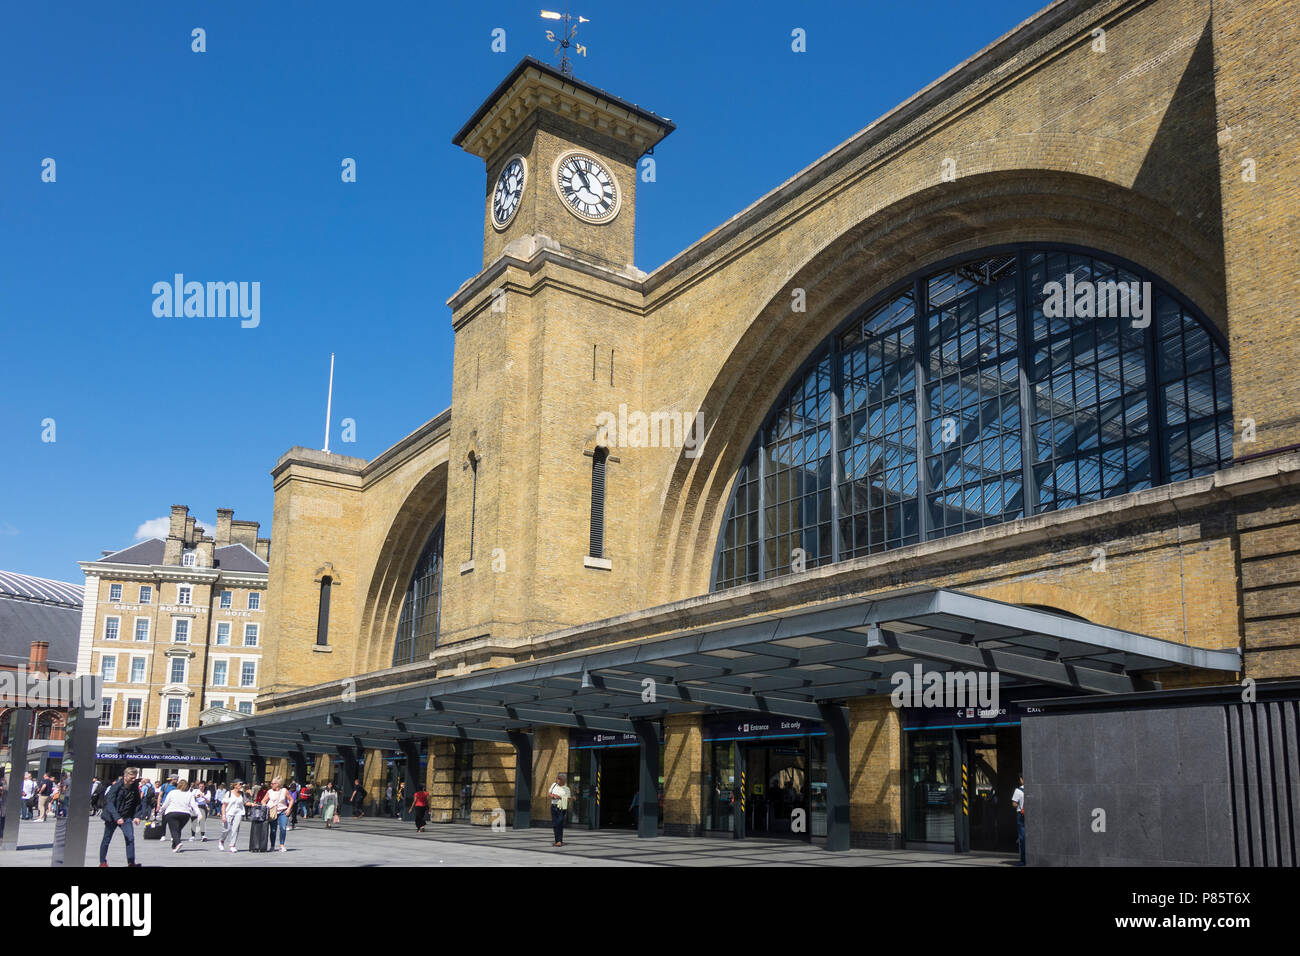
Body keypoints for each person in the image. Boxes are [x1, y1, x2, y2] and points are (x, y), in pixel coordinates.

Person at [99, 767, 144, 867]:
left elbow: (137, 803)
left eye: (135, 778)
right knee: (107, 839)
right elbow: (109, 803)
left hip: (126, 816)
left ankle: (131, 863)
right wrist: (117, 817)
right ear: (125, 776)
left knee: (130, 838)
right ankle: (102, 862)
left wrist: (137, 816)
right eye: (131, 778)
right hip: (112, 817)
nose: (133, 780)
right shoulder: (116, 787)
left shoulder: (134, 787)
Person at [160, 778, 200, 852]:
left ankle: (178, 843)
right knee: (178, 829)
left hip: (172, 812)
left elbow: (166, 803)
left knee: (174, 829)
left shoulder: (172, 792)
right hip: (185, 814)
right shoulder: (190, 794)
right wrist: (199, 814)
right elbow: (194, 805)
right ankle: (174, 845)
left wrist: (161, 810)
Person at [260, 776, 292, 852]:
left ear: (278, 784)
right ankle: (272, 846)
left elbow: (291, 800)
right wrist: (265, 806)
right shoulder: (269, 792)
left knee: (283, 828)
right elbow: (263, 801)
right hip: (272, 812)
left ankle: (282, 845)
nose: (271, 785)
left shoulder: (284, 791)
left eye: (272, 783)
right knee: (273, 830)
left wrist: (289, 809)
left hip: (283, 811)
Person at [218, 781, 248, 853]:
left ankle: (232, 845)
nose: (241, 785)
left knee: (235, 830)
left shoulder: (242, 794)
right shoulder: (229, 793)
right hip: (229, 813)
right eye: (240, 784)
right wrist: (223, 815)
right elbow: (224, 805)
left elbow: (246, 802)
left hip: (238, 813)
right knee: (226, 829)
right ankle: (221, 840)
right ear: (235, 785)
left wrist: (253, 804)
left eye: (241, 784)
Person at [548, 772, 571, 848]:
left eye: (559, 779)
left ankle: (559, 841)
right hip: (553, 806)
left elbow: (568, 799)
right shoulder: (554, 785)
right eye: (557, 778)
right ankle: (558, 841)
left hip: (561, 808)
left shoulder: (567, 789)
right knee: (555, 824)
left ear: (563, 780)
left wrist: (559, 797)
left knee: (559, 823)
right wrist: (553, 796)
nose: (557, 780)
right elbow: (549, 794)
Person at [1012, 774, 1026, 866]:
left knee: (1022, 837)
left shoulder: (1018, 790)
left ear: (1021, 779)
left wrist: (1019, 805)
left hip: (1022, 815)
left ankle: (1023, 860)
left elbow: (1014, 804)